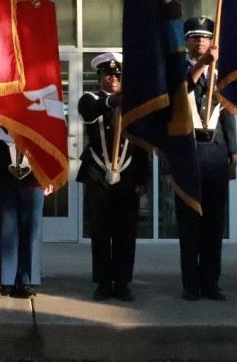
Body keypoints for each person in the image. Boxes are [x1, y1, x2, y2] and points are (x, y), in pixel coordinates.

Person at [77, 52, 150, 301]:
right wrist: (114, 102)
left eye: (118, 74)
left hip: (128, 176)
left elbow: (142, 144)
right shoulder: (92, 98)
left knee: (125, 233)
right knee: (100, 233)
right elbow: (89, 110)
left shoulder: (136, 104)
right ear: (100, 77)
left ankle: (122, 283)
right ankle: (103, 283)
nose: (113, 78)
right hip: (98, 175)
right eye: (108, 74)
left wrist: (143, 179)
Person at [178, 16, 237, 301]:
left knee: (214, 226)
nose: (200, 41)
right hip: (187, 156)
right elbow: (179, 93)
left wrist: (233, 153)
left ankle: (210, 282)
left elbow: (229, 116)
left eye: (204, 37)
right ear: (186, 41)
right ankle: (190, 284)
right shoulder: (178, 68)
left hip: (215, 156)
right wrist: (203, 65)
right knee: (190, 225)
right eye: (194, 37)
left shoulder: (221, 73)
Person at [0, 125, 44, 299]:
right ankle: (6, 280)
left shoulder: (41, 97)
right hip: (5, 163)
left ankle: (27, 279)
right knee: (7, 226)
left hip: (36, 163)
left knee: (31, 229)